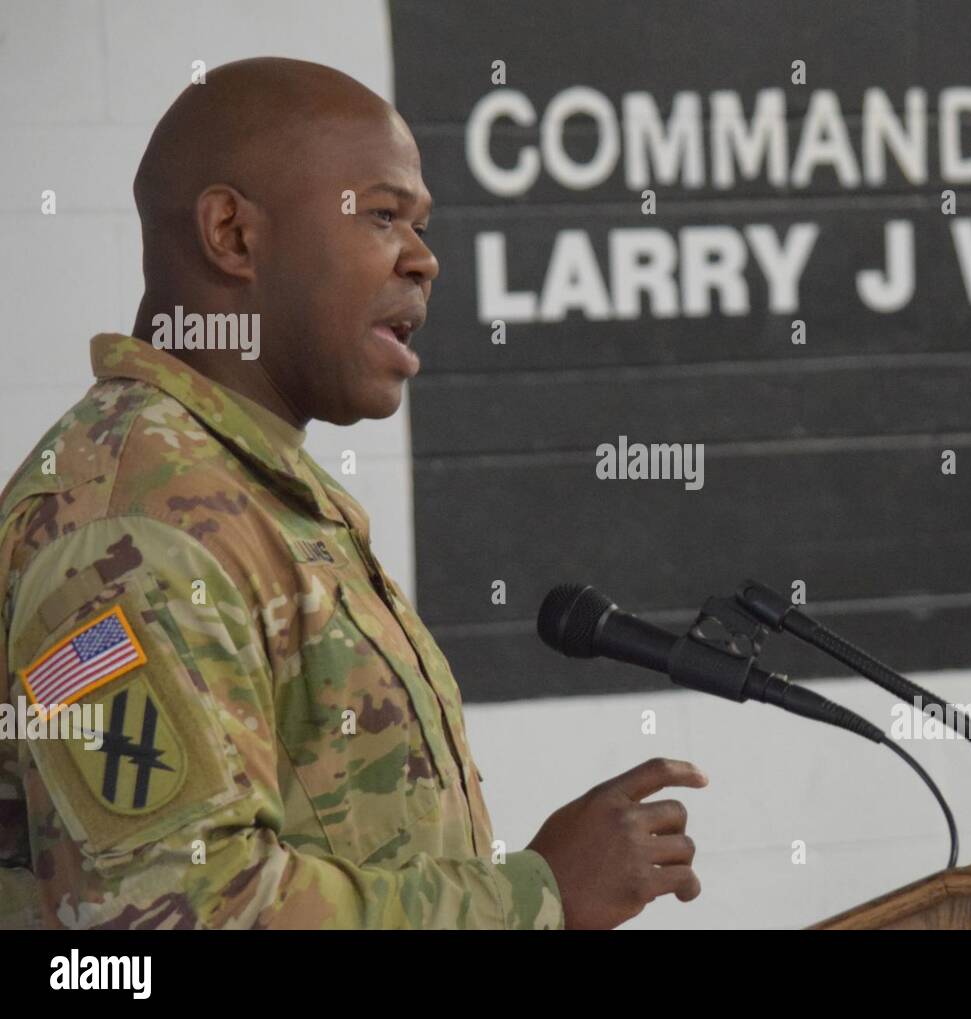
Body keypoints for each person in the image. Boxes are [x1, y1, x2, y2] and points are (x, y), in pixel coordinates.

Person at [0, 57, 705, 930]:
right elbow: (173, 915)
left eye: (421, 225)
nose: (424, 260)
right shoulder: (132, 528)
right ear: (232, 233)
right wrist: (537, 897)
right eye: (382, 215)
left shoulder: (243, 487)